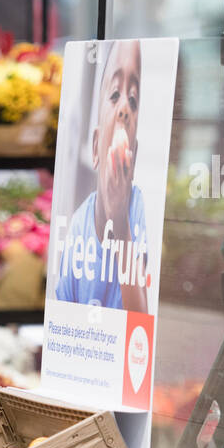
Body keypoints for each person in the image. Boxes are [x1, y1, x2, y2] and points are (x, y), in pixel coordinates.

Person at [54, 39, 150, 313]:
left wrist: (120, 224)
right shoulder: (77, 226)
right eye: (115, 95)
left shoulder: (136, 208)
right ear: (96, 147)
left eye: (133, 99)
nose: (124, 109)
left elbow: (139, 322)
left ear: (135, 153)